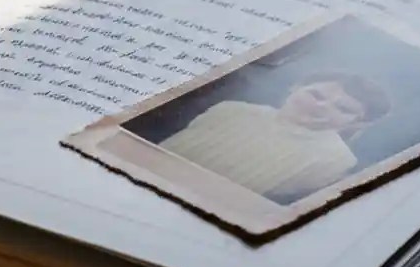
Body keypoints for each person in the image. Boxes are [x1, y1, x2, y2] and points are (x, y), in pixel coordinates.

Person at [158, 71, 392, 205]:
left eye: (343, 108)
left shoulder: (336, 159)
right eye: (315, 94)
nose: (321, 107)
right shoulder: (233, 110)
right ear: (295, 87)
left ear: (357, 123)